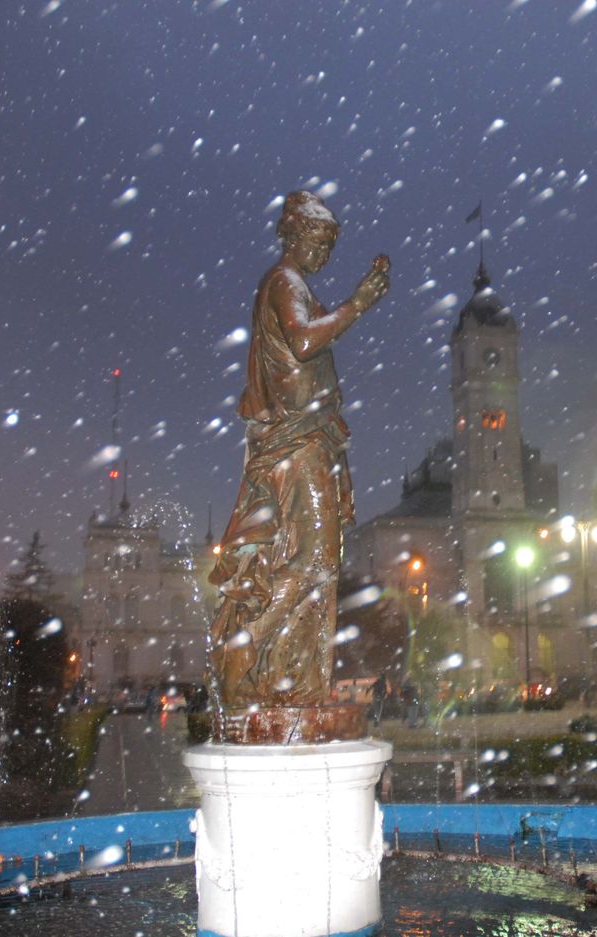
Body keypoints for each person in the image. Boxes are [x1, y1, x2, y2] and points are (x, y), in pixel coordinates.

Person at [208, 191, 390, 722]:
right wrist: (358, 304)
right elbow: (305, 343)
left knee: (310, 556)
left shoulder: (292, 285)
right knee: (314, 558)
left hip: (307, 437)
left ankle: (283, 673)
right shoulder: (285, 282)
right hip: (298, 441)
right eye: (319, 241)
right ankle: (250, 646)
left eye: (331, 245)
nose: (325, 254)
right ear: (295, 235)